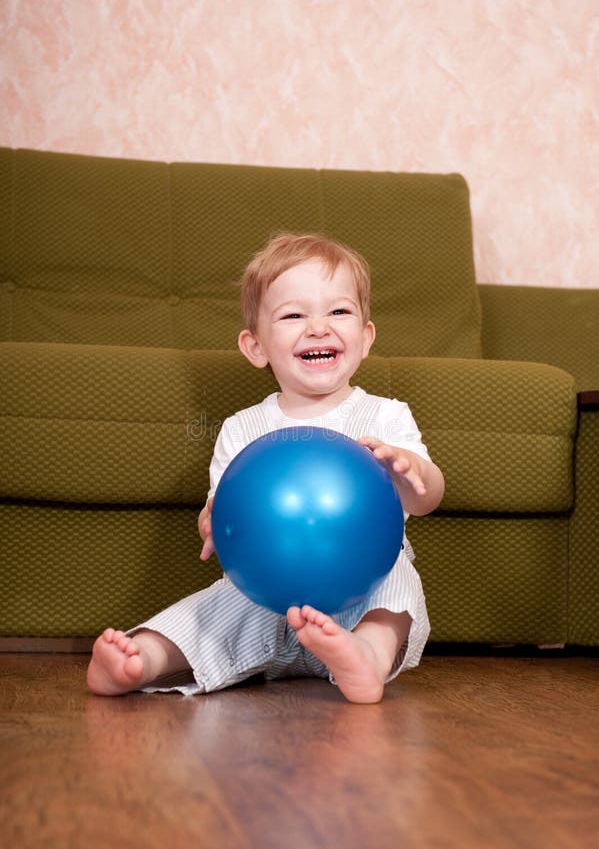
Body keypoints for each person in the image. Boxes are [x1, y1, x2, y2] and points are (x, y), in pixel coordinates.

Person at [87, 233, 445, 703]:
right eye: (294, 315)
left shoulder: (385, 417)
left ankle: (367, 657)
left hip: (360, 591)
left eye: (338, 312)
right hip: (265, 595)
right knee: (216, 607)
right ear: (255, 346)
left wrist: (411, 468)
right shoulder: (243, 429)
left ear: (366, 336)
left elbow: (428, 496)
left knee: (396, 579)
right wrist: (211, 519)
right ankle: (144, 658)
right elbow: (223, 512)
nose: (318, 327)